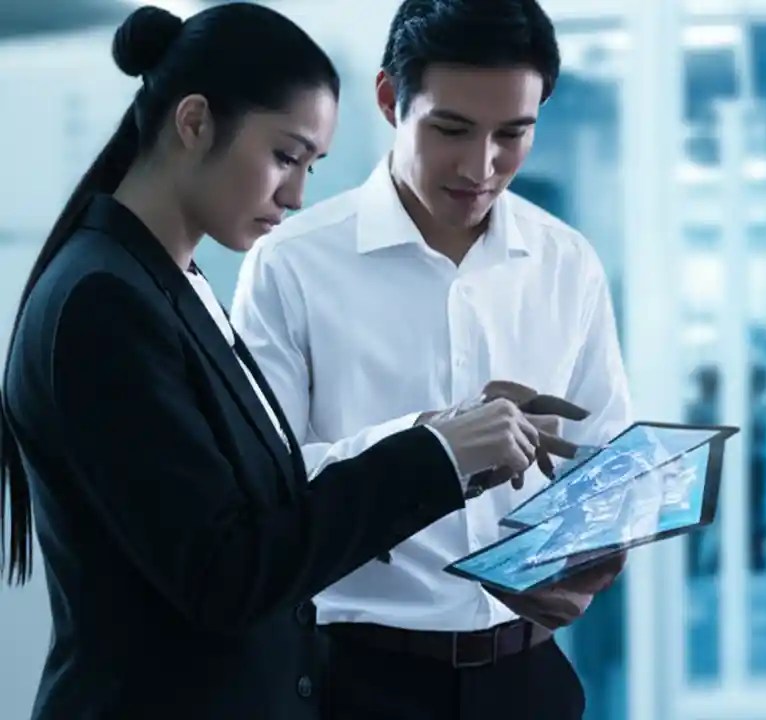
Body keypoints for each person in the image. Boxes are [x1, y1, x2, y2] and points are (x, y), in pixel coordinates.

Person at [0, 5, 564, 718]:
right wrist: (435, 457)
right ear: (195, 122)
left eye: (311, 166)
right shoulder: (104, 303)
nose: (296, 195)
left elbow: (268, 499)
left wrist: (435, 431)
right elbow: (229, 574)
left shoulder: (169, 283)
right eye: (285, 157)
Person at [230, 0, 632, 717]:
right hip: (355, 681)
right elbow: (265, 488)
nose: (481, 166)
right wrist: (433, 442)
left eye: (514, 133)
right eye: (451, 129)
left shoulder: (566, 261)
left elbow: (604, 460)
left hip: (529, 678)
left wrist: (595, 551)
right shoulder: (291, 264)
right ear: (390, 99)